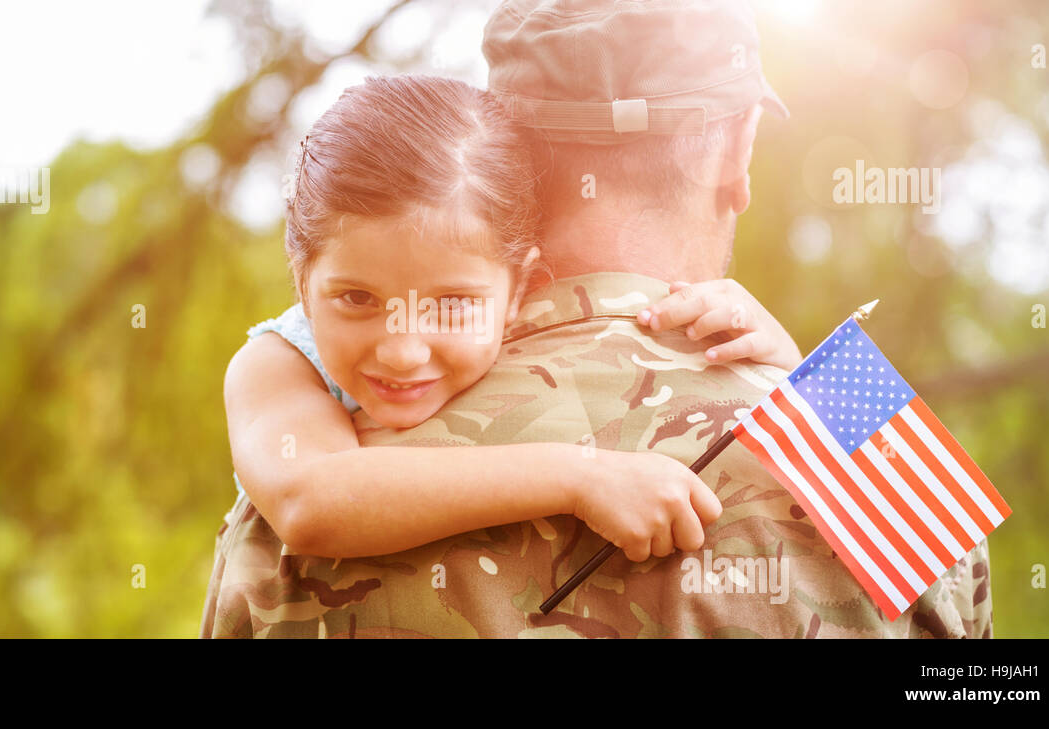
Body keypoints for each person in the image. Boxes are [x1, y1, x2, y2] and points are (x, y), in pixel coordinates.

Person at [201, 0, 993, 638]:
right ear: (736, 154)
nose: (404, 349)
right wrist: (793, 381)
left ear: (504, 154)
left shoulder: (281, 522)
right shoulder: (884, 457)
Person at [223, 74, 802, 569]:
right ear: (302, 283)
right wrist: (581, 478)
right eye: (355, 298)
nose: (402, 350)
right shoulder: (278, 363)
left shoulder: (541, 334)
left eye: (452, 304)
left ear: (519, 289)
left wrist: (786, 364)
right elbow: (310, 503)